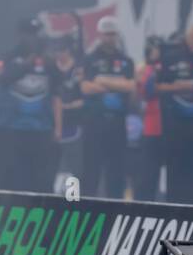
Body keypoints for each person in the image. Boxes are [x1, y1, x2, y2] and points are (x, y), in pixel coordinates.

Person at [0, 18, 62, 193]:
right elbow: (3, 78)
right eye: (30, 34)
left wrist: (58, 127)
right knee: (6, 178)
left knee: (41, 180)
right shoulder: (8, 57)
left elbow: (57, 94)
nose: (33, 39)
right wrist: (28, 62)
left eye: (36, 34)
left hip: (41, 130)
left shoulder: (49, 62)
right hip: (10, 129)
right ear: (21, 35)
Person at [155, 24, 193, 204]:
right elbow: (157, 86)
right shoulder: (171, 57)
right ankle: (173, 202)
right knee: (176, 164)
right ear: (187, 38)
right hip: (177, 121)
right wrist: (182, 86)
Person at [79, 17, 136, 200]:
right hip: (94, 122)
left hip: (118, 123)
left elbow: (131, 87)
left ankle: (115, 209)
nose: (109, 37)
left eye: (112, 34)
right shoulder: (89, 59)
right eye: (106, 34)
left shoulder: (126, 60)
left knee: (116, 171)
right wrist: (117, 84)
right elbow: (85, 88)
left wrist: (102, 81)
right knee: (90, 170)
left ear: (116, 35)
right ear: (100, 34)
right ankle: (85, 208)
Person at [51, 34, 85, 193]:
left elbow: (86, 97)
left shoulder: (79, 69)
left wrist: (69, 105)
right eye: (56, 50)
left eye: (62, 50)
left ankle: (72, 199)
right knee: (55, 165)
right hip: (54, 124)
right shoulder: (51, 68)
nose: (59, 54)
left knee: (74, 166)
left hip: (74, 124)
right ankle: (53, 197)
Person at [134, 36, 166, 201]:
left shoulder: (168, 67)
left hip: (170, 128)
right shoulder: (144, 69)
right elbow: (145, 93)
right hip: (151, 128)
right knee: (147, 175)